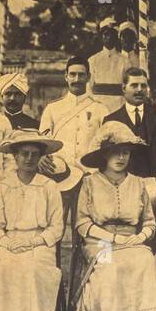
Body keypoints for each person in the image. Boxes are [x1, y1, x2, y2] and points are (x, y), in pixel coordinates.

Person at [73, 122, 156, 311]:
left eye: (125, 152)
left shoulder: (138, 183)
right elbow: (82, 223)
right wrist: (113, 238)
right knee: (110, 265)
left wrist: (140, 237)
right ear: (105, 155)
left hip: (131, 240)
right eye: (115, 152)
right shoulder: (90, 183)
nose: (120, 157)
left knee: (144, 259)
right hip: (100, 243)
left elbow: (150, 222)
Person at [0, 129, 66, 311]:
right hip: (10, 241)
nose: (28, 159)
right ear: (15, 157)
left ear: (40, 157)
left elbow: (56, 228)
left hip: (39, 243)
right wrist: (7, 242)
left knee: (31, 270)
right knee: (0, 271)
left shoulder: (49, 186)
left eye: (34, 154)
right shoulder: (4, 186)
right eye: (24, 154)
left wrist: (32, 242)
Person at [101, 65, 156, 197]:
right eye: (134, 85)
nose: (140, 90)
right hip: (123, 188)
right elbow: (106, 157)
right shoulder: (111, 119)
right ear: (124, 88)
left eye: (143, 86)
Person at [38, 56, 103, 225]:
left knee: (85, 229)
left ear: (88, 77)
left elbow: (106, 145)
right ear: (65, 76)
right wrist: (41, 157)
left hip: (90, 176)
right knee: (55, 226)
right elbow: (42, 142)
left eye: (81, 75)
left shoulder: (100, 108)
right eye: (72, 74)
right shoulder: (53, 108)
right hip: (60, 175)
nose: (76, 79)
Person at [0, 70, 39, 188]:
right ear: (1, 97)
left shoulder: (35, 125)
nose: (12, 98)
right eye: (8, 94)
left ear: (24, 97)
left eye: (17, 94)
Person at [89, 16, 131, 110]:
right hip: (98, 104)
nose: (109, 37)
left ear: (117, 37)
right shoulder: (93, 60)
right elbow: (89, 86)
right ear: (101, 37)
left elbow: (128, 85)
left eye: (112, 34)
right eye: (105, 34)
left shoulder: (125, 61)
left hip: (119, 104)